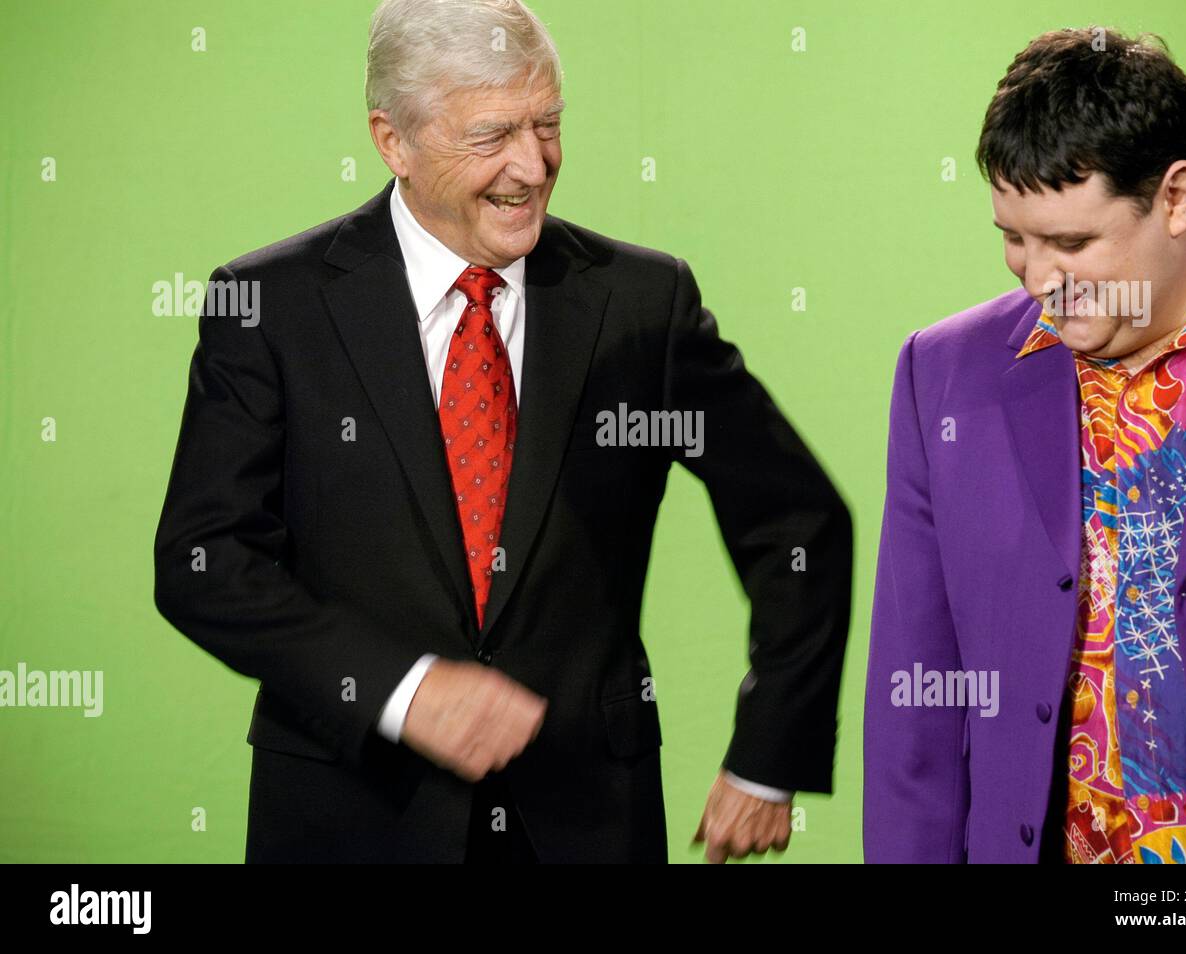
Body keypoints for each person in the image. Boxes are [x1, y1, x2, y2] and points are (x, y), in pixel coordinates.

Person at [153, 0, 852, 864]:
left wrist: (768, 758)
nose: (533, 164)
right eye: (492, 136)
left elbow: (798, 520)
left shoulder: (641, 303)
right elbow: (205, 563)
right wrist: (404, 693)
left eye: (548, 124)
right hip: (349, 818)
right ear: (392, 140)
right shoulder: (269, 307)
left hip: (585, 822)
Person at [863, 27, 1186, 863]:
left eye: (1070, 244)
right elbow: (915, 710)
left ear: (1176, 196)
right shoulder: (942, 374)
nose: (1035, 278)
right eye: (1014, 238)